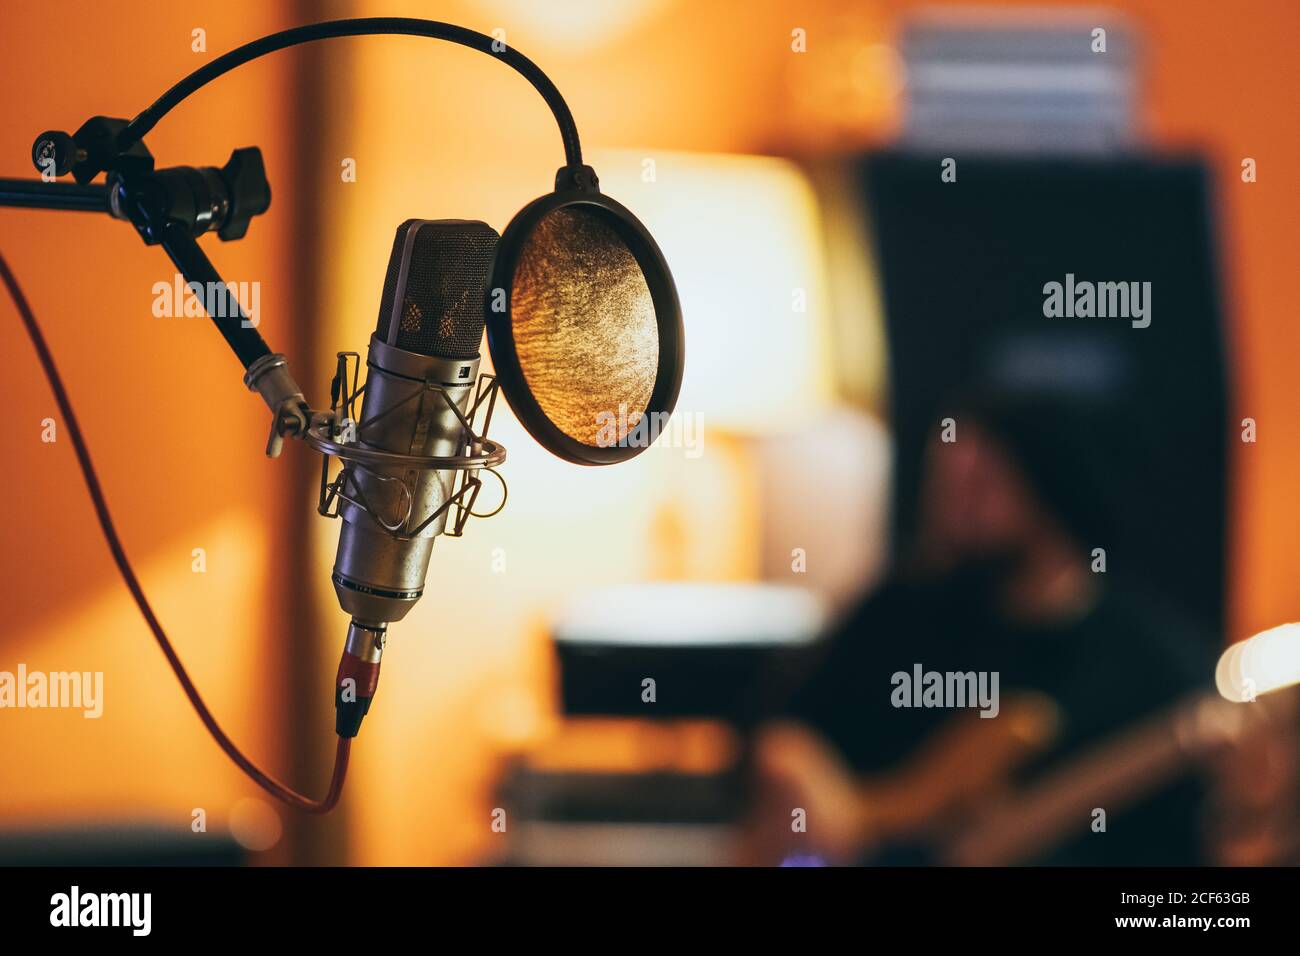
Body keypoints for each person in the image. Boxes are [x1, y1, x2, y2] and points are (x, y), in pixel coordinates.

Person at [751, 399, 1214, 866]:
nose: (951, 509)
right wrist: (805, 774)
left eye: (978, 486)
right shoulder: (900, 610)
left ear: (1048, 486)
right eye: (943, 484)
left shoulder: (1149, 662)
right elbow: (776, 721)